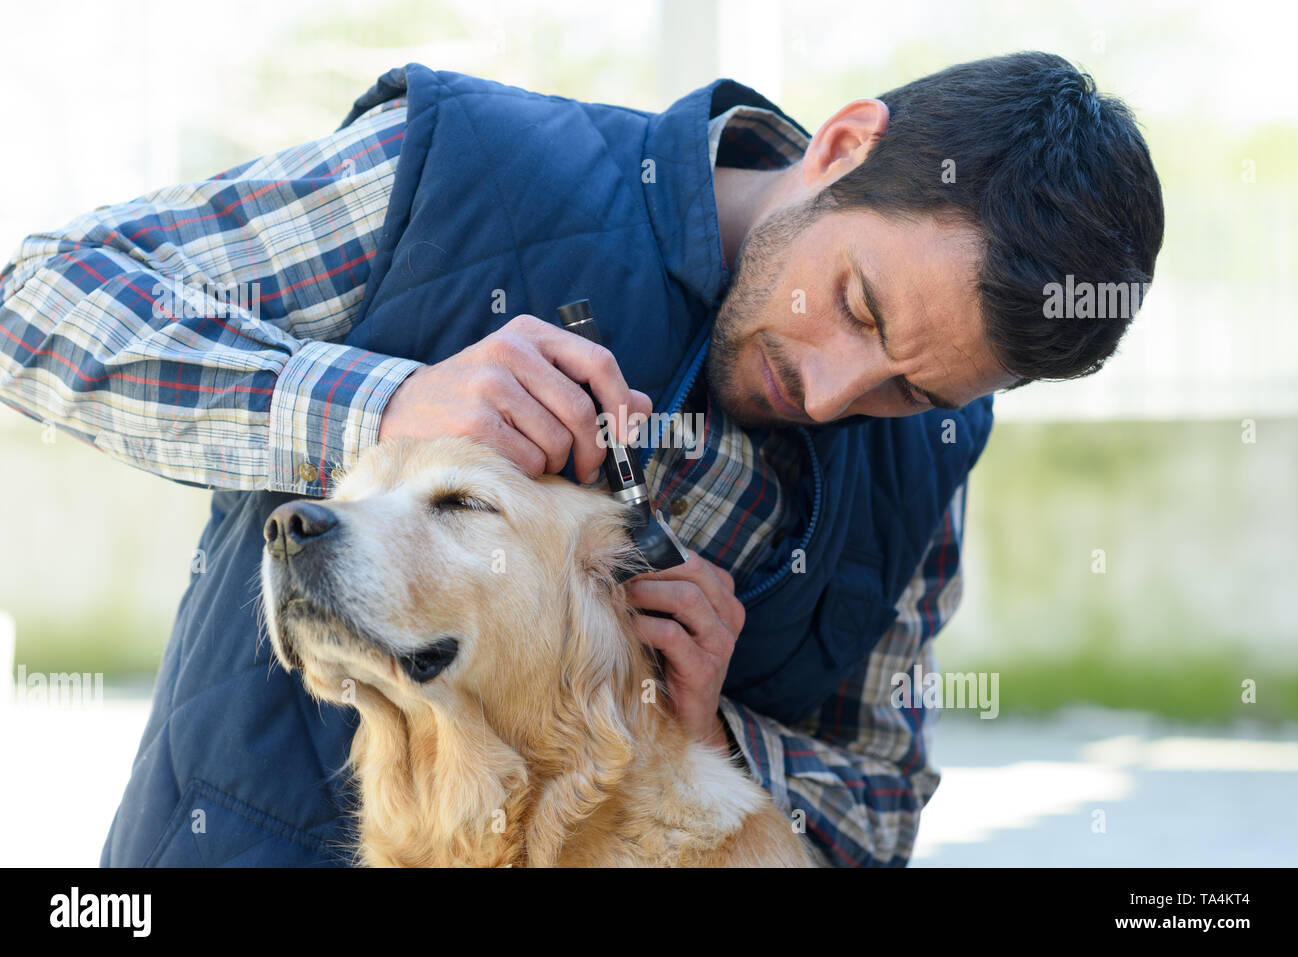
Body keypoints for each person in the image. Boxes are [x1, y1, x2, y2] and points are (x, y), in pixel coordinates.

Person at [0, 51, 1163, 867]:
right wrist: (383, 400)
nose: (833, 392)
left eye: (910, 386)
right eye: (855, 306)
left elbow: (877, 817)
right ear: (843, 146)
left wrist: (715, 730)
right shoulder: (455, 172)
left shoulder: (932, 453)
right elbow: (38, 304)